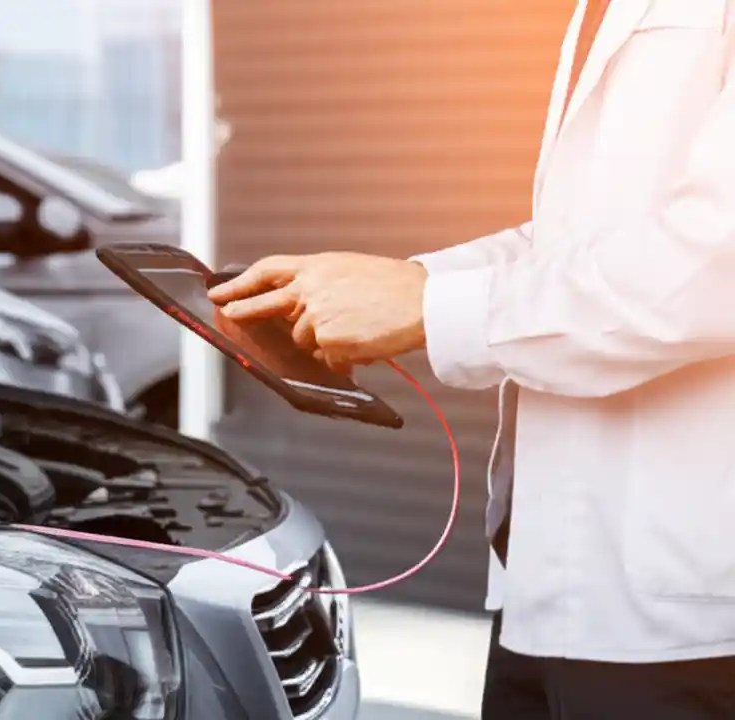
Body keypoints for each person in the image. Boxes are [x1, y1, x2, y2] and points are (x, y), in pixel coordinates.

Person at [207, 1, 735, 717]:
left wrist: (429, 310)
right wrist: (403, 285)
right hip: (542, 589)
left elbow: (709, 270)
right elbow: (576, 242)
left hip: (685, 626)